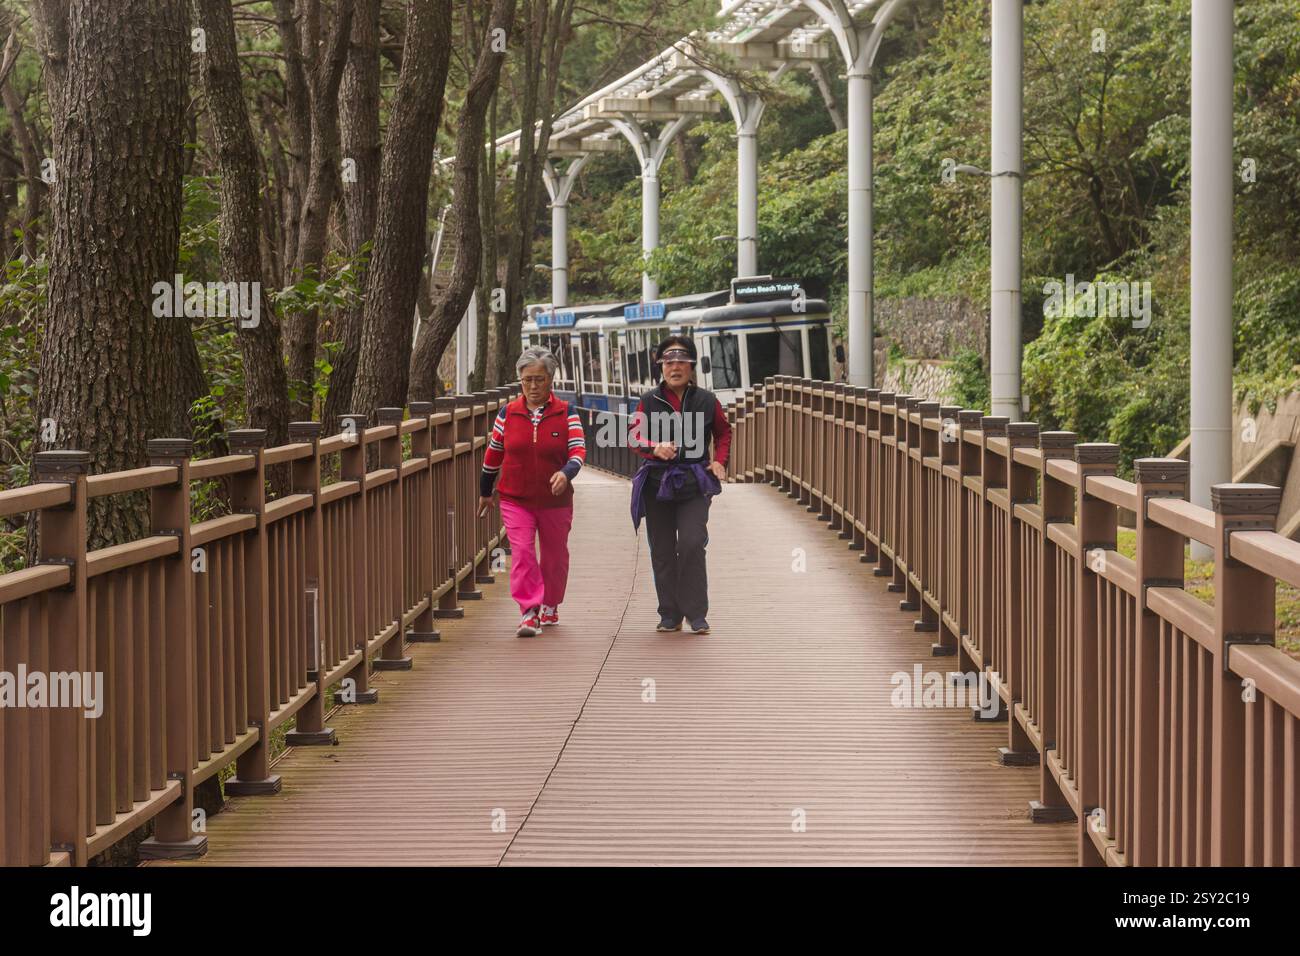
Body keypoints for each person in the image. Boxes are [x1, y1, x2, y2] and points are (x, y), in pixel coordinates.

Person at [479, 346, 586, 637]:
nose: (533, 386)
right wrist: (486, 491)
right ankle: (528, 612)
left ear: (550, 380)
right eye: (527, 380)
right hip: (516, 498)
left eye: (539, 379)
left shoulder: (567, 412)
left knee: (554, 557)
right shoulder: (508, 413)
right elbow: (493, 453)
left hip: (555, 501)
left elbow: (577, 450)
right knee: (523, 552)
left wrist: (566, 474)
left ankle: (550, 604)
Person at [629, 335, 731, 634]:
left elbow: (724, 433)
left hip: (694, 482)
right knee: (661, 550)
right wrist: (654, 447)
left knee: (690, 544)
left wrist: (719, 461)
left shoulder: (707, 400)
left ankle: (696, 614)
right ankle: (670, 614)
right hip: (657, 484)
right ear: (661, 366)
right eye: (669, 362)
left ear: (692, 366)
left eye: (682, 361)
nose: (675, 367)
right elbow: (634, 437)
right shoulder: (648, 401)